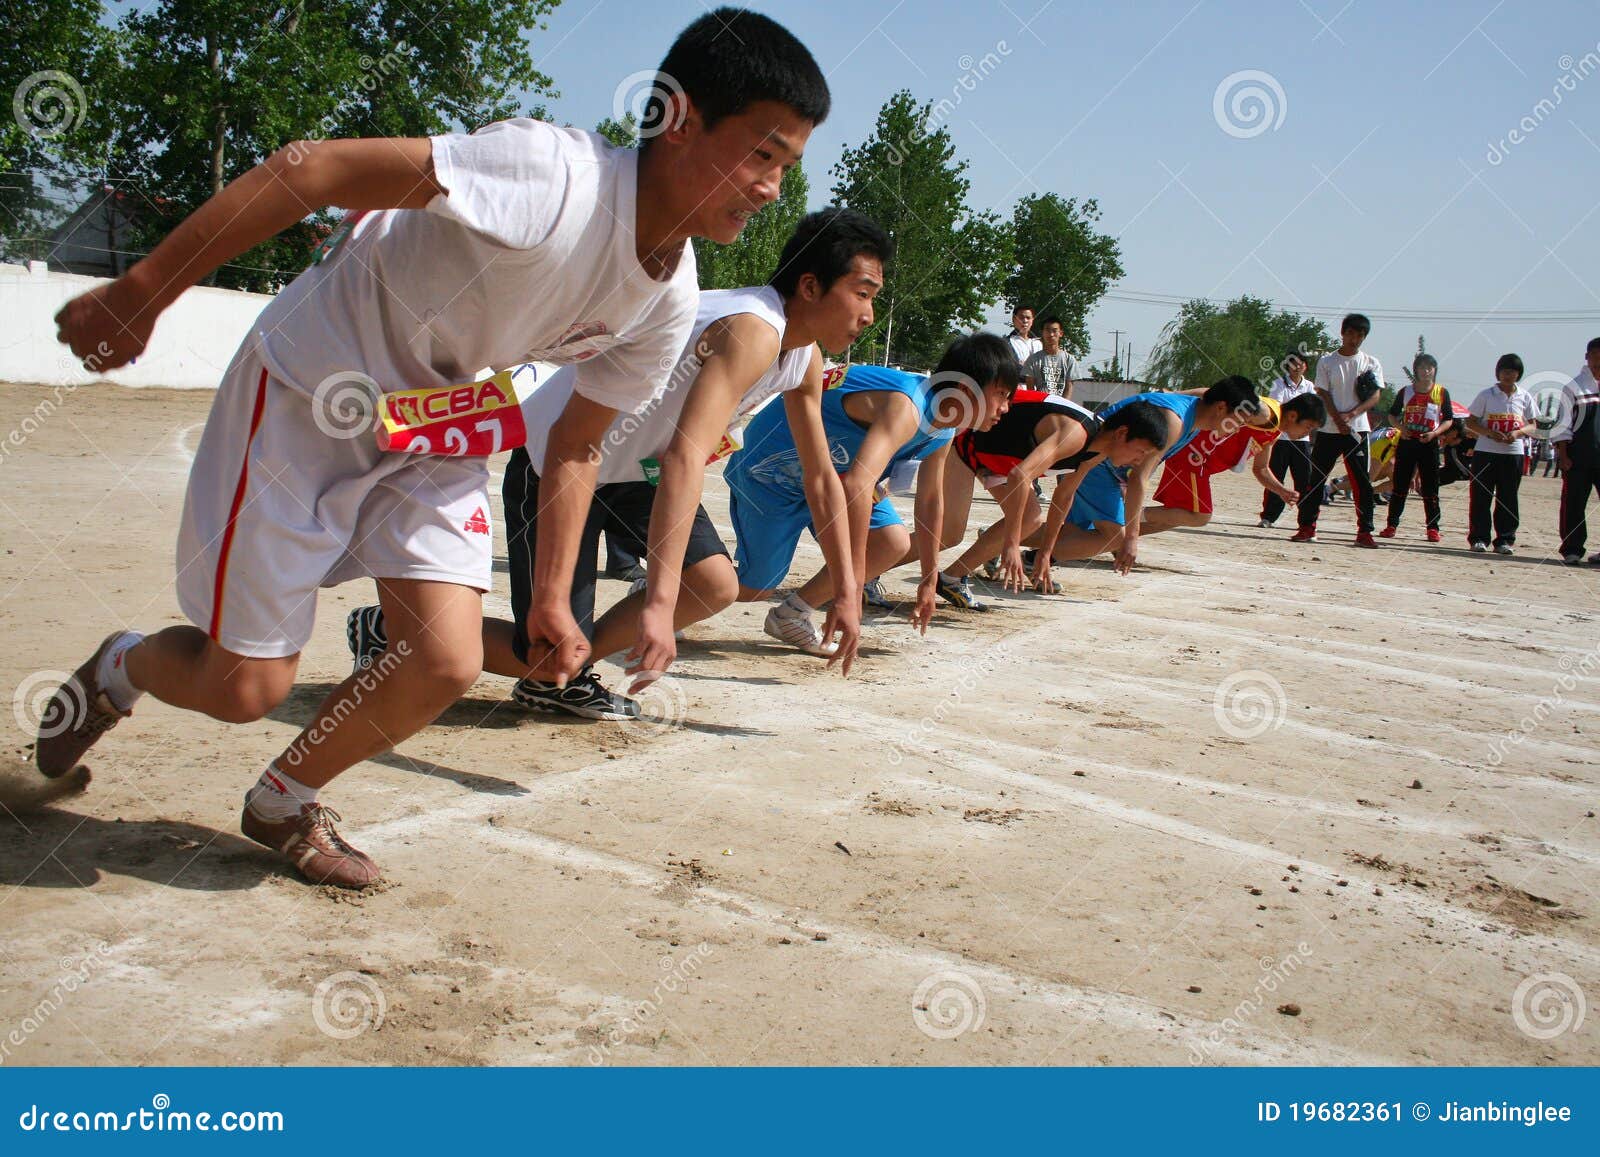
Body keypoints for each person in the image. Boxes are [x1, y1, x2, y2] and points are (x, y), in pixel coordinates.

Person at [34, 7, 831, 889]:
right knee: (244, 690)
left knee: (447, 658)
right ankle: (120, 665)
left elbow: (573, 446)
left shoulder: (669, 298)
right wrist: (144, 291)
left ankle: (283, 799)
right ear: (679, 117)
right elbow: (316, 169)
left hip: (434, 427)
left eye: (786, 166)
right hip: (308, 392)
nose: (769, 186)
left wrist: (554, 606)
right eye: (762, 153)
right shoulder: (555, 174)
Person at [347, 208, 890, 718]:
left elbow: (821, 478)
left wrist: (846, 591)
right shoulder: (752, 330)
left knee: (715, 584)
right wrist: (657, 603)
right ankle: (392, 631)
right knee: (544, 656)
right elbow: (684, 457)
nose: (868, 314)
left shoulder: (803, 354)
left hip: (636, 475)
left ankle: (570, 670)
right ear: (811, 286)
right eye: (861, 294)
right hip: (563, 462)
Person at [724, 333, 1018, 649]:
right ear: (965, 389)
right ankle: (675, 590)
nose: (1006, 407)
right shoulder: (907, 406)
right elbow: (858, 485)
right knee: (754, 587)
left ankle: (792, 615)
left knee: (891, 543)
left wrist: (929, 576)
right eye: (1001, 394)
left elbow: (930, 499)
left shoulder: (945, 425)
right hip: (773, 469)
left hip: (830, 476)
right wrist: (848, 591)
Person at [919, 393, 1170, 608]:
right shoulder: (1076, 434)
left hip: (998, 460)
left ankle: (950, 579)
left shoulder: (1098, 449)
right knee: (950, 534)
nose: (1139, 461)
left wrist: (1046, 553)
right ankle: (879, 564)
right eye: (1141, 452)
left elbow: (1065, 494)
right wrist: (1011, 543)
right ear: (1122, 433)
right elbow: (1020, 475)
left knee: (1030, 518)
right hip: (966, 441)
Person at [1035, 376, 1264, 570]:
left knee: (1074, 534)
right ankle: (1024, 553)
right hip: (1095, 462)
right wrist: (1132, 538)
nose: (1237, 429)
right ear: (1221, 408)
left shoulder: (1198, 412)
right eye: (1238, 421)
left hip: (1103, 465)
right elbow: (1138, 478)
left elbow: (1255, 411)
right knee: (1116, 538)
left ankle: (1015, 549)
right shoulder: (1175, 421)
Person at [1147, 393, 1327, 535]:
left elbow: (1261, 469)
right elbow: (1218, 395)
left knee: (1179, 516)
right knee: (1200, 516)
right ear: (1293, 415)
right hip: (1194, 459)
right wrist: (1175, 395)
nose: (1307, 434)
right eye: (1308, 427)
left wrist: (1282, 491)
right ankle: (1128, 516)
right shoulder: (1267, 413)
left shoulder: (1273, 431)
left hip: (1197, 463)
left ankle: (1120, 539)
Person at [1296, 313, 1384, 547]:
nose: (1355, 339)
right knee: (1315, 479)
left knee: (1361, 482)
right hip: (1328, 430)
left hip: (1358, 431)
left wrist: (1352, 415)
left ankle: (1365, 532)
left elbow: (1375, 395)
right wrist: (1338, 418)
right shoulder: (1327, 361)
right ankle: (1307, 527)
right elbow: (1322, 392)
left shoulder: (1371, 363)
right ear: (1343, 333)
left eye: (1360, 335)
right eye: (1351, 333)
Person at [1464, 354, 1538, 555]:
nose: (1508, 375)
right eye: (1504, 371)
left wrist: (1518, 433)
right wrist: (1489, 433)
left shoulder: (1524, 396)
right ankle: (1479, 538)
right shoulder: (1486, 395)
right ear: (1498, 373)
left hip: (1513, 453)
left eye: (1512, 371)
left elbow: (1533, 424)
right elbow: (1470, 422)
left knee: (1508, 497)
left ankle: (1504, 539)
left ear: (1518, 374)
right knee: (1480, 496)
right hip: (1486, 452)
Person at [1379, 354, 1455, 542]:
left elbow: (1448, 419)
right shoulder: (1406, 392)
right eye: (1422, 367)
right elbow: (1392, 415)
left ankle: (1433, 528)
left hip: (1429, 443)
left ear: (1435, 370)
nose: (1426, 371)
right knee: (1400, 485)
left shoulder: (1442, 392)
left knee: (1430, 488)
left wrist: (1435, 434)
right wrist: (1401, 428)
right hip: (1407, 442)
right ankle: (1391, 525)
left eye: (1429, 367)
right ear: (1416, 371)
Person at [1552, 336, 1600, 564]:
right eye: (1595, 356)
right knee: (1574, 504)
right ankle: (1572, 548)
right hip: (1578, 456)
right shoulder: (1574, 386)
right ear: (1587, 357)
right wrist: (1563, 455)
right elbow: (1563, 425)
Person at [1258, 351, 1316, 528]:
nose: (1297, 366)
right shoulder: (1278, 383)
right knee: (1276, 477)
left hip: (1302, 440)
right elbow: (1278, 407)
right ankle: (1269, 516)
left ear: (1305, 366)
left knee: (1304, 479)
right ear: (1288, 366)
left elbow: (1312, 408)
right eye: (1293, 363)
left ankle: (1306, 520)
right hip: (1281, 439)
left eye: (1301, 363)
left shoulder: (1309, 385)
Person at [1022, 316, 1076, 399]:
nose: (1051, 334)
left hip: (1061, 406)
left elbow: (1069, 387)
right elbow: (1030, 389)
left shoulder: (1070, 359)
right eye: (1047, 330)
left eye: (1054, 331)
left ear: (1061, 333)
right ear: (1042, 333)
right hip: (1040, 405)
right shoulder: (1032, 360)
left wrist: (1063, 406)